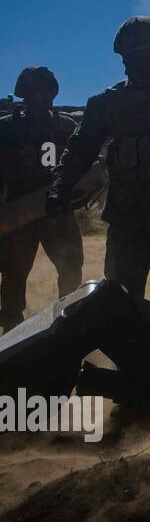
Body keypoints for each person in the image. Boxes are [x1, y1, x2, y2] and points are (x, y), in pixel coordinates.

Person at [47, 17, 150, 315]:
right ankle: (127, 358)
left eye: (139, 57)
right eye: (128, 58)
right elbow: (79, 150)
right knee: (121, 297)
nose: (130, 65)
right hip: (129, 215)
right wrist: (60, 186)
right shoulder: (106, 103)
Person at [0, 68, 83, 330]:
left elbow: (81, 163)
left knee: (71, 269)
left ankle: (69, 326)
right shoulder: (7, 128)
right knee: (13, 276)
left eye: (47, 90)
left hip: (56, 208)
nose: (43, 96)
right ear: (24, 93)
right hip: (20, 210)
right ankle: (12, 334)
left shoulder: (65, 126)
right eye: (37, 90)